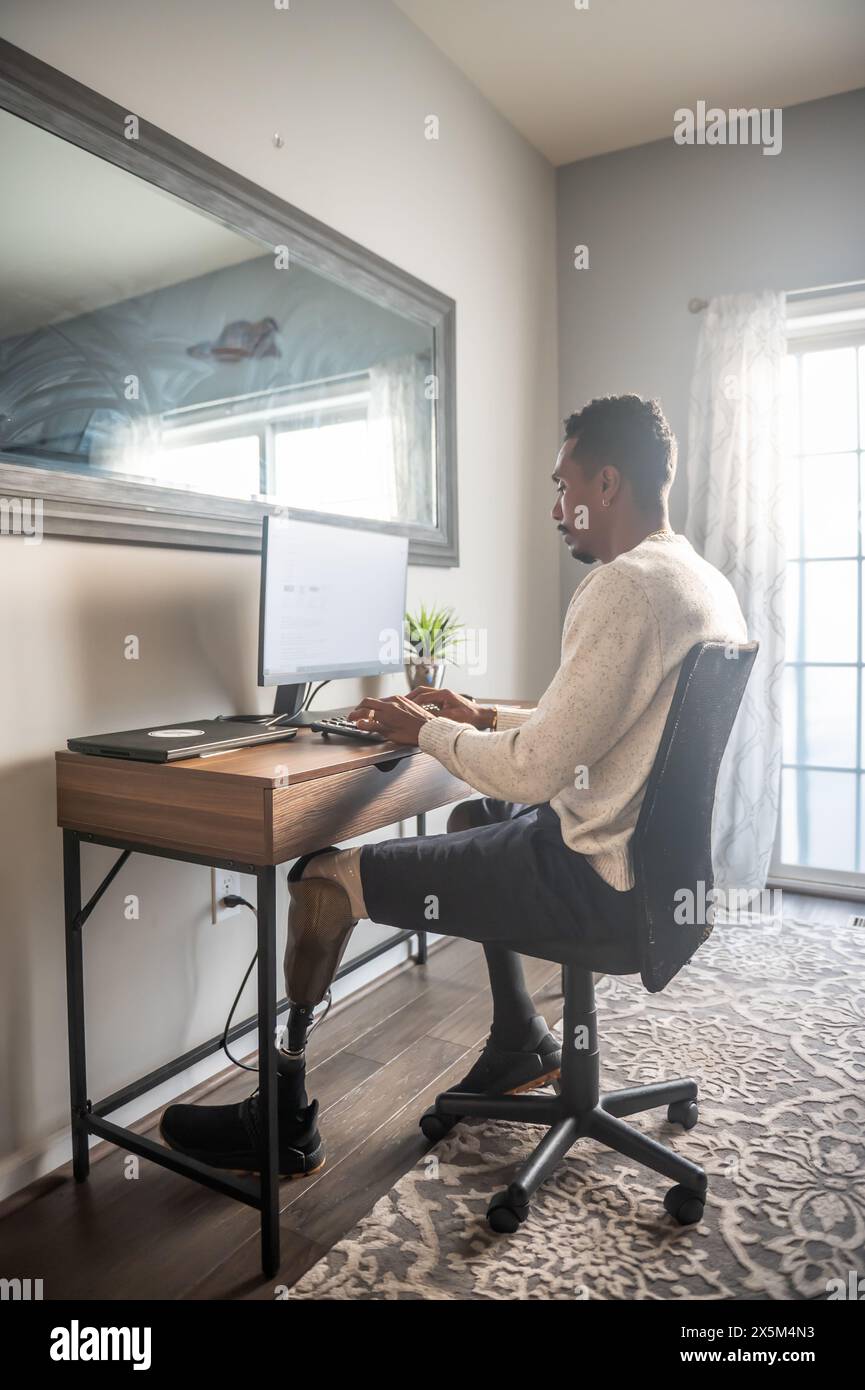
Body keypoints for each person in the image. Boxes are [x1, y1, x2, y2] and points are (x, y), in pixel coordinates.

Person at [159, 394, 748, 1176]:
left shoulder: (623, 586)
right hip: (647, 877)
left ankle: (283, 1118)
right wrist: (474, 715)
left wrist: (422, 731)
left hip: (586, 880)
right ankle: (518, 1040)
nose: (556, 507)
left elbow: (538, 770)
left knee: (321, 879)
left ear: (606, 484)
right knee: (474, 813)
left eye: (562, 485)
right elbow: (611, 722)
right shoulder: (697, 580)